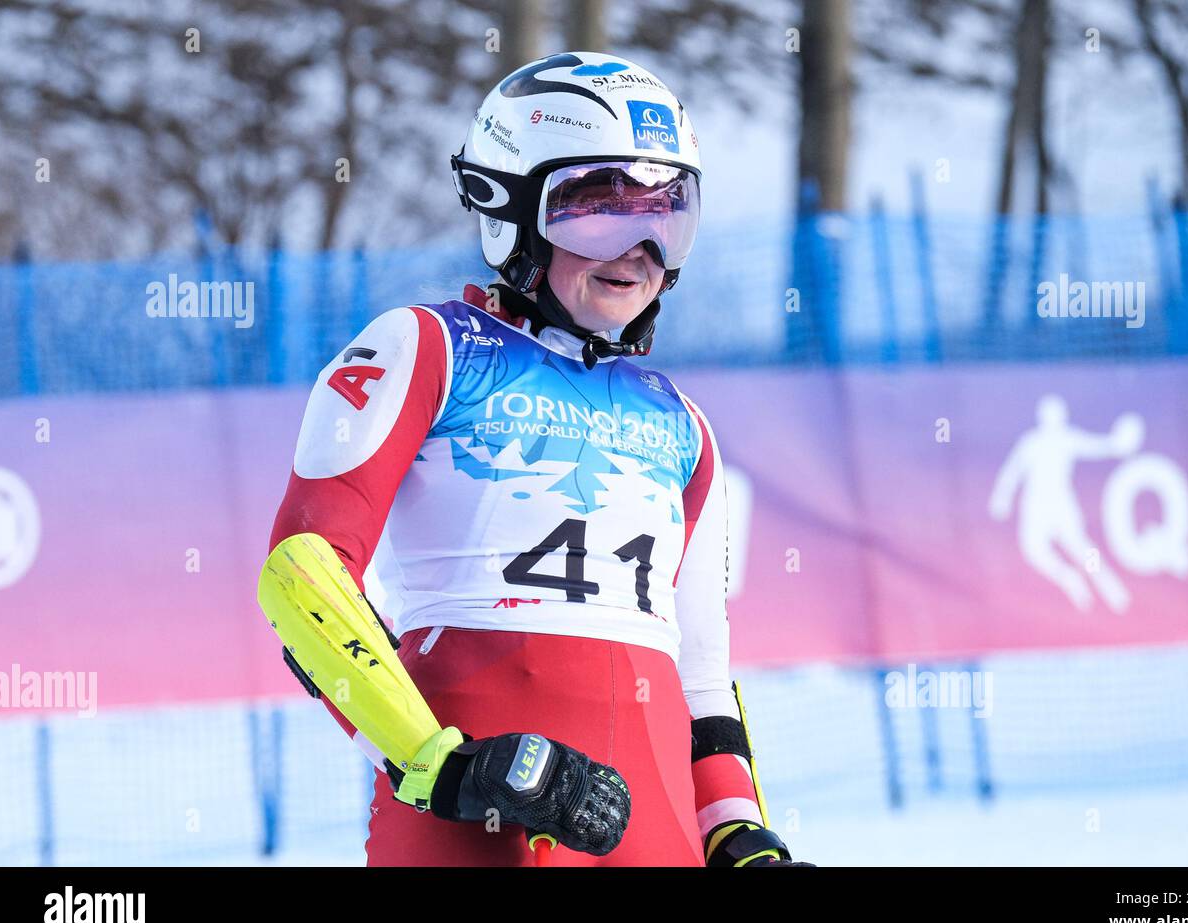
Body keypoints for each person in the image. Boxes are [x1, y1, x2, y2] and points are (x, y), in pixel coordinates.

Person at [264, 51, 808, 866]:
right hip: (469, 818)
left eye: (668, 212)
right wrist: (444, 768)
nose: (640, 248)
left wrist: (735, 829)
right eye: (599, 209)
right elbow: (303, 574)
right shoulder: (426, 347)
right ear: (507, 210)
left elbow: (702, 678)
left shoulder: (682, 424)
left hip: (654, 830)